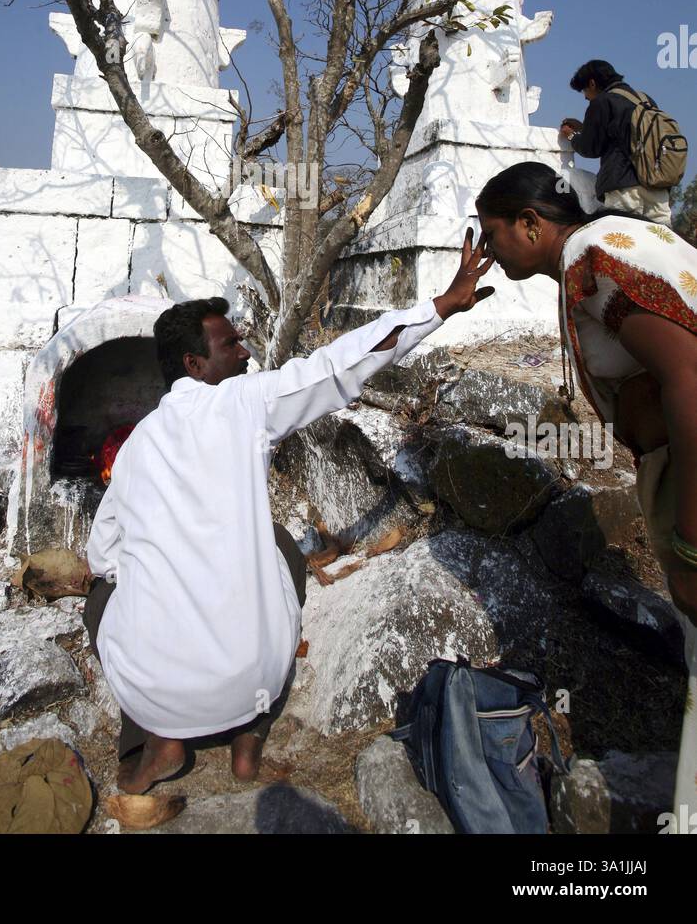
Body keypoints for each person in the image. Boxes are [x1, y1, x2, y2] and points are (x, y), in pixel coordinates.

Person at [84, 231, 494, 794]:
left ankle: (157, 744)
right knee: (280, 547)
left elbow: (103, 553)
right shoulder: (247, 402)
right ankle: (250, 739)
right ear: (194, 363)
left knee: (105, 592)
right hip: (251, 676)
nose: (246, 352)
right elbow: (340, 365)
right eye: (230, 345)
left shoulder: (136, 446)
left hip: (160, 690)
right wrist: (439, 308)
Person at [476, 161, 697, 827]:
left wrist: (690, 536)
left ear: (530, 223)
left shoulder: (591, 260)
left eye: (492, 236)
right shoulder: (624, 240)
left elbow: (687, 376)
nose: (488, 252)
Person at [559, 59, 673, 224]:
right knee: (661, 238)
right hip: (657, 185)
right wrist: (585, 128)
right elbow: (624, 134)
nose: (585, 97)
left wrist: (571, 135)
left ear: (592, 83)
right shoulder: (644, 99)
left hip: (624, 186)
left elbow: (590, 148)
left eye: (584, 90)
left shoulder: (602, 101)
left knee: (624, 240)